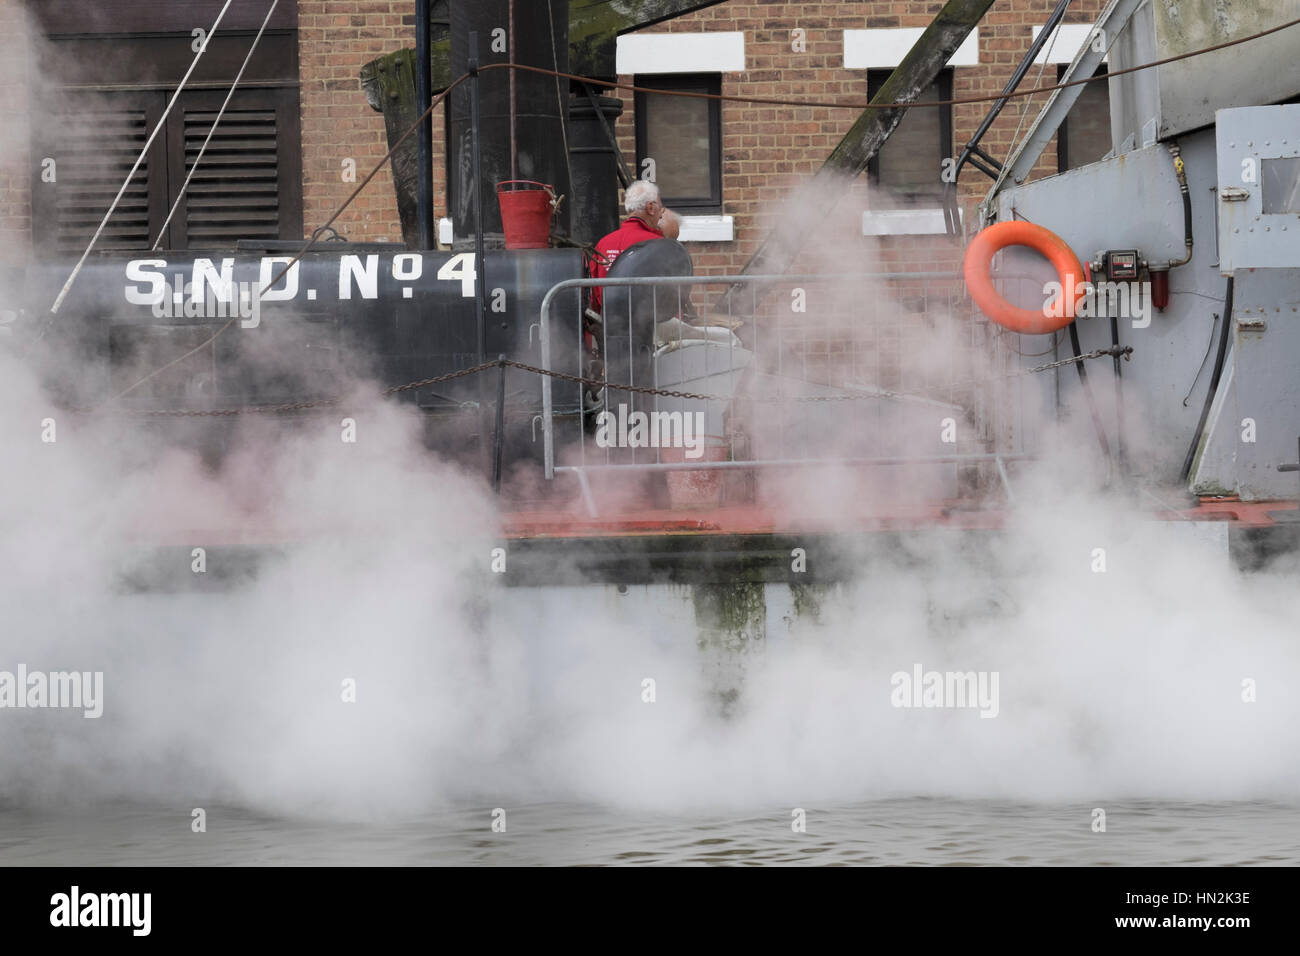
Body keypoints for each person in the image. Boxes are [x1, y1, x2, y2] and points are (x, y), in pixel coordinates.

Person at [588, 180, 667, 317]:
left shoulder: (603, 243)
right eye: (660, 209)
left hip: (611, 326)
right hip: (649, 327)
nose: (660, 216)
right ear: (650, 208)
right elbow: (670, 293)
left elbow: (593, 295)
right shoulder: (657, 244)